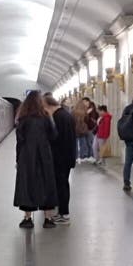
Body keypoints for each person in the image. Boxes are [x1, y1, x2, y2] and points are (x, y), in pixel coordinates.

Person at [14, 91, 59, 228]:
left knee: (27, 184)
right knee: (47, 183)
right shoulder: (45, 117)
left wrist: (18, 159)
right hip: (44, 155)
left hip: (26, 156)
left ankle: (27, 219)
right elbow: (54, 136)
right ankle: (48, 219)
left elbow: (19, 140)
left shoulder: (23, 119)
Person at [44, 95, 76, 224]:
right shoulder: (65, 115)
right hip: (66, 157)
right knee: (61, 185)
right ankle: (61, 212)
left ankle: (65, 214)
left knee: (62, 185)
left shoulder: (58, 117)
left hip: (61, 158)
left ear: (48, 105)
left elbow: (57, 139)